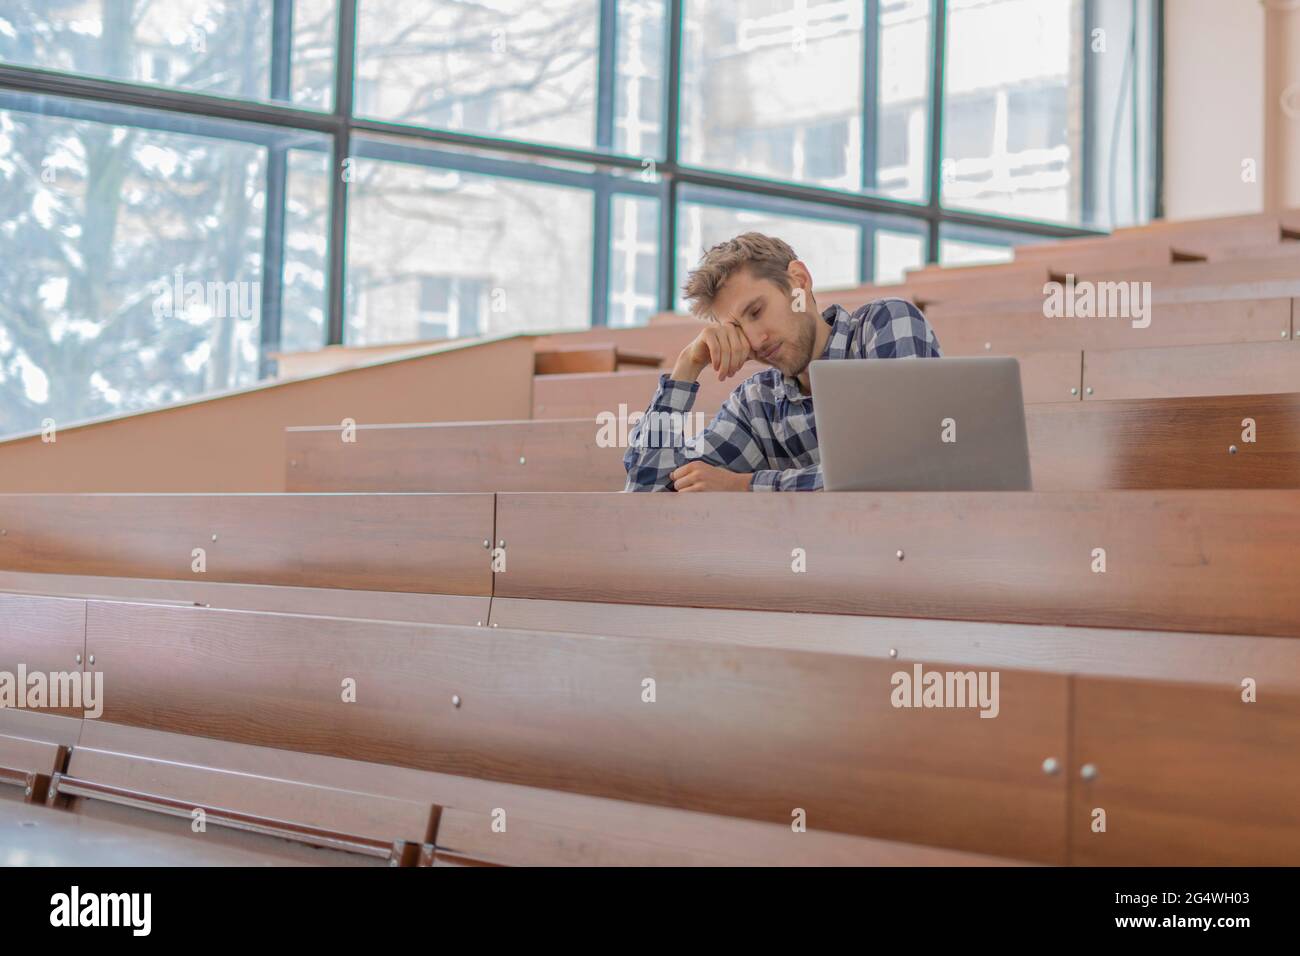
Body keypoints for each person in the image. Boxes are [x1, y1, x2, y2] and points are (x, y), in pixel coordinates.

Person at [623, 232, 943, 492]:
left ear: (799, 281)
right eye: (736, 329)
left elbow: (902, 465)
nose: (756, 340)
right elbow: (647, 491)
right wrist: (686, 367)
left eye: (757, 311)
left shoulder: (885, 324)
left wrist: (746, 485)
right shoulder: (757, 403)